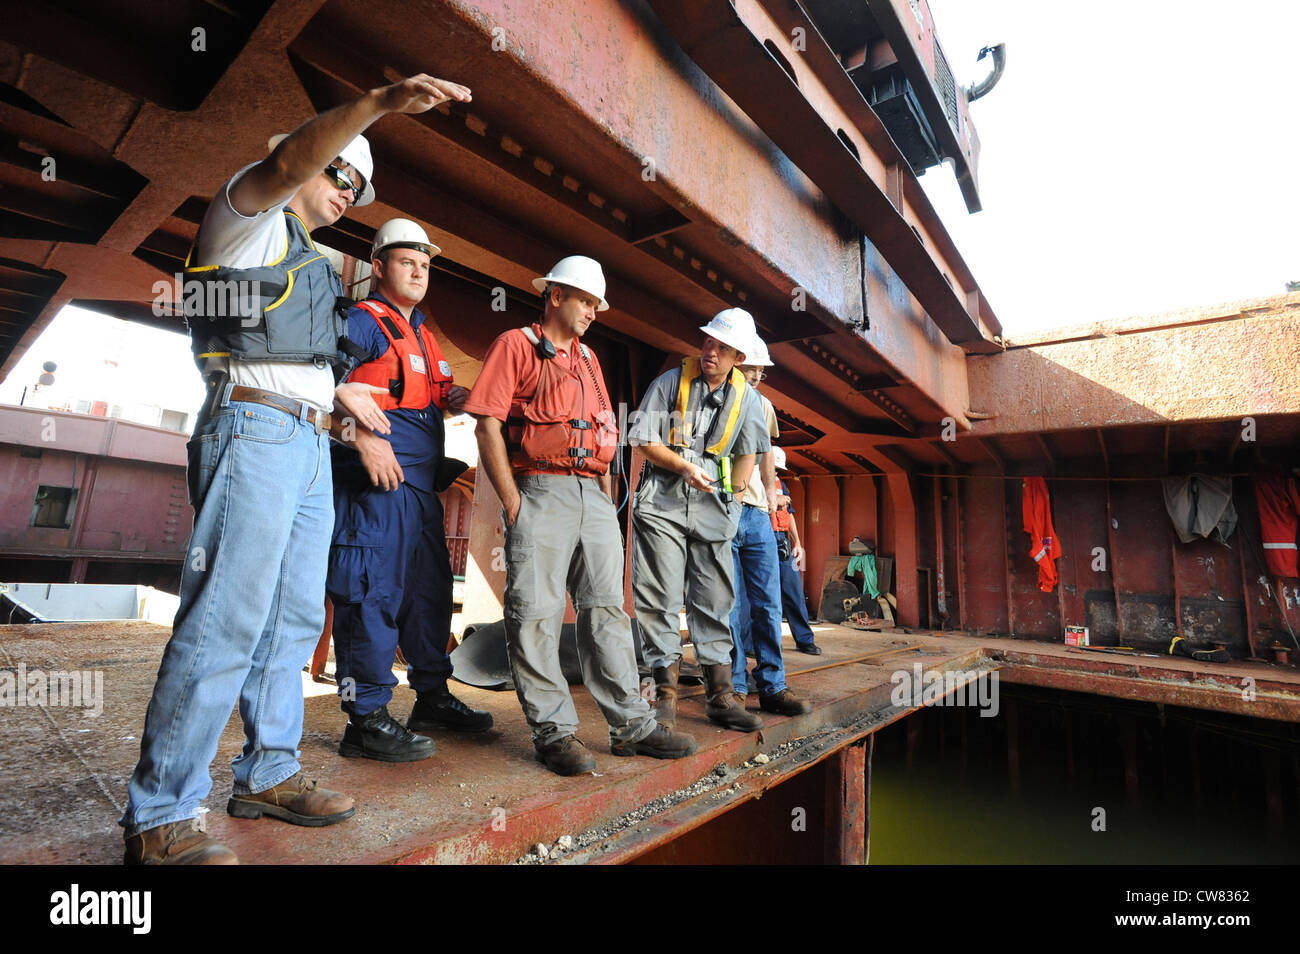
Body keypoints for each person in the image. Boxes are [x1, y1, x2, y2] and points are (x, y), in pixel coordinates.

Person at [121, 73, 472, 865]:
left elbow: (295, 352)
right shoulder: (248, 217)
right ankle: (163, 813)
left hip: (312, 442)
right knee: (224, 622)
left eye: (359, 183)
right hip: (255, 432)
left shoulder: (312, 258)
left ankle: (269, 772)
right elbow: (283, 171)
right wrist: (379, 103)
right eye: (338, 171)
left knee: (290, 624)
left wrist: (341, 393)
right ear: (301, 159)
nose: (347, 188)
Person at [464, 255, 697, 776]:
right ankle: (554, 733)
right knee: (537, 612)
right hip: (540, 488)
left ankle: (632, 727)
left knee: (607, 610)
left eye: (596, 304)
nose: (592, 311)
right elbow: (487, 426)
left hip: (593, 492)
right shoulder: (515, 345)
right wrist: (513, 500)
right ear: (555, 295)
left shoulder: (589, 359)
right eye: (586, 301)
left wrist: (603, 492)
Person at [327, 218, 492, 763]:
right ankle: (366, 720)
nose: (419, 272)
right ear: (378, 266)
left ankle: (432, 696)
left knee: (428, 594)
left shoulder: (420, 330)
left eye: (425, 265)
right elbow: (321, 391)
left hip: (420, 490)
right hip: (375, 488)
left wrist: (454, 397)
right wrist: (360, 441)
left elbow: (418, 390)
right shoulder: (362, 321)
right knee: (372, 594)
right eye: (407, 262)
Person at [628, 308, 771, 733]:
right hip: (664, 503)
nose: (710, 351)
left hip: (714, 506)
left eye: (722, 347)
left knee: (714, 599)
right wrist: (684, 467)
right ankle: (665, 695)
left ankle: (721, 695)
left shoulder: (749, 399)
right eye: (708, 342)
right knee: (659, 597)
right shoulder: (670, 383)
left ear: (738, 357)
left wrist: (738, 494)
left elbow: (749, 449)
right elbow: (641, 438)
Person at [726, 337, 811, 714]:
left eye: (761, 370)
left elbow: (765, 455)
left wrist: (773, 494)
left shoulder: (763, 405)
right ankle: (734, 686)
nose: (758, 375)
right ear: (734, 363)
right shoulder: (714, 400)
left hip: (758, 513)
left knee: (767, 602)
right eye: (751, 368)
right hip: (724, 509)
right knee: (728, 605)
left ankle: (773, 686)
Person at [771, 447, 821, 654]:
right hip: (760, 540)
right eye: (773, 468)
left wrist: (798, 543)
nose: (775, 472)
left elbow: (789, 515)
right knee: (763, 595)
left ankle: (804, 640)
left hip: (782, 541)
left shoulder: (781, 484)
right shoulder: (753, 483)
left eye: (776, 469)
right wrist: (773, 500)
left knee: (794, 591)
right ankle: (756, 643)